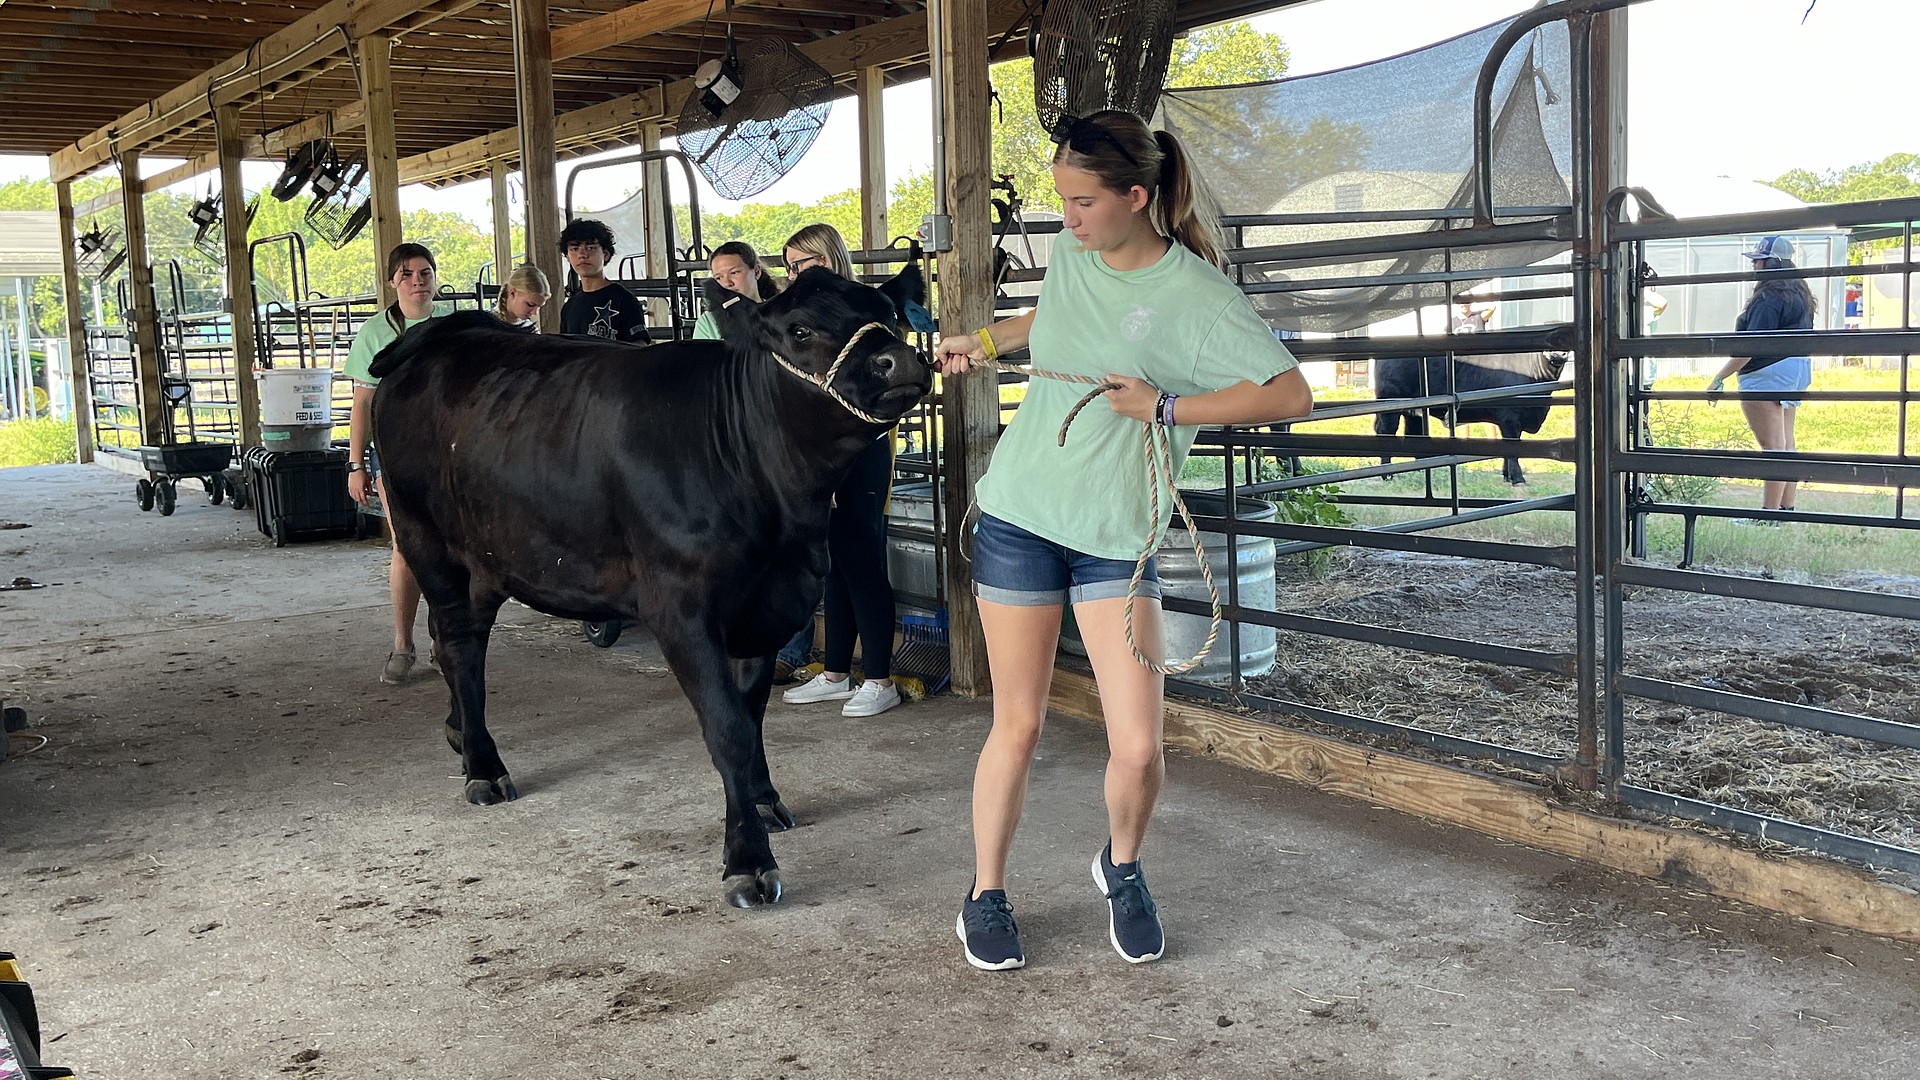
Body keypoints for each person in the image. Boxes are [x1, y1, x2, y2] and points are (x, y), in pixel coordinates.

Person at [932, 110, 1313, 971]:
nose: (1064, 221)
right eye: (1061, 200)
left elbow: (1290, 396)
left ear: (1136, 196)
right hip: (1024, 516)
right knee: (1017, 725)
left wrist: (1166, 406)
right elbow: (1050, 312)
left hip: (1117, 539)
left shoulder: (1199, 298)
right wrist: (982, 342)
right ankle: (986, 893)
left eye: (1081, 203)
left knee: (1138, 742)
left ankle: (1123, 866)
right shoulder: (1074, 253)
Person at [778, 222, 903, 716]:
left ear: (827, 261)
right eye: (789, 266)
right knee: (834, 561)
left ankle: (879, 678)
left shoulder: (869, 311)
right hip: (820, 451)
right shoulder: (805, 320)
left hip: (863, 445)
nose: (794, 274)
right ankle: (834, 672)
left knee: (862, 559)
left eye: (803, 264)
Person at [345, 242, 449, 684]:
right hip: (396, 457)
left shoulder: (453, 330)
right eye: (407, 274)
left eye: (425, 273)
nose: (417, 282)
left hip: (449, 456)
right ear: (392, 282)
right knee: (406, 548)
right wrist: (355, 463)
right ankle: (403, 643)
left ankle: (444, 640)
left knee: (453, 549)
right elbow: (362, 401)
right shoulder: (375, 333)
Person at [1707, 235, 1816, 518]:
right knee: (1786, 445)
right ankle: (1786, 509)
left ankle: (1768, 515)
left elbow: (1752, 347)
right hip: (1797, 370)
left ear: (1771, 263)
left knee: (1772, 448)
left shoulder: (1768, 297)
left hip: (1767, 373)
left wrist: (1719, 377)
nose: (1755, 265)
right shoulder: (1801, 293)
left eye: (1758, 259)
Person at [558, 218, 652, 344]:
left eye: (591, 247)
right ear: (567, 257)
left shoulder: (624, 299)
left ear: (605, 254)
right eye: (574, 249)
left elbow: (640, 346)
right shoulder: (569, 307)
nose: (582, 255)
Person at [692, 241, 781, 341]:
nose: (727, 283)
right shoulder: (708, 322)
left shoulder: (780, 313)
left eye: (734, 272)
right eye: (718, 278)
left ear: (756, 271)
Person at [494, 263, 550, 329]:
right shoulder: (488, 327)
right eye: (530, 304)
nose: (535, 313)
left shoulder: (530, 328)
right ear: (513, 293)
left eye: (539, 306)